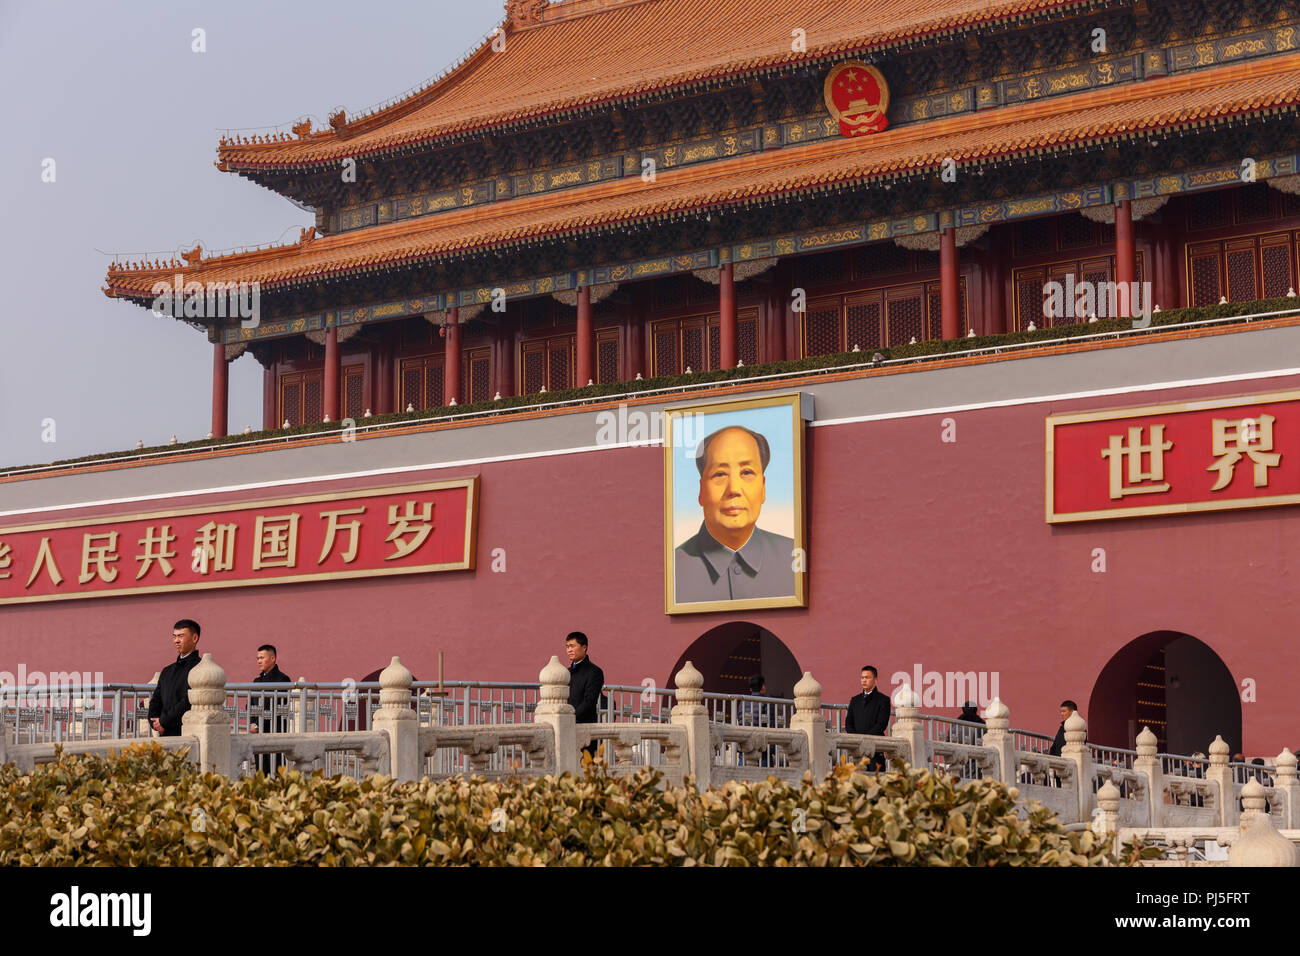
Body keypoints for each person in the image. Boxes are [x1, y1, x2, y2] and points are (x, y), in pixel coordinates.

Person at [673, 426, 796, 604]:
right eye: (720, 474)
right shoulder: (672, 570)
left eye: (746, 472)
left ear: (763, 487)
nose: (734, 489)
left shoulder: (795, 558)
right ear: (701, 491)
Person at [147, 619, 202, 737]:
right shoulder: (167, 671)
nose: (176, 641)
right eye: (174, 636)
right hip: (164, 732)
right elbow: (156, 700)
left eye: (181, 636)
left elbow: (188, 701)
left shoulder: (200, 668)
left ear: (194, 638)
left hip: (187, 734)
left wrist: (164, 721)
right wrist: (155, 723)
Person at [251, 644, 291, 774]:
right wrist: (252, 722)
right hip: (259, 732)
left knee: (276, 769)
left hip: (276, 731)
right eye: (257, 658)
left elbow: (279, 707)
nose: (259, 661)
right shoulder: (257, 681)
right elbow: (251, 704)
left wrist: (261, 722)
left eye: (262, 657)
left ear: (273, 658)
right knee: (260, 770)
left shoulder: (283, 680)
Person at [565, 632, 604, 761]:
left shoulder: (594, 672)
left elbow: (590, 701)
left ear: (584, 647)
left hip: (585, 729)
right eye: (567, 646)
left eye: (572, 646)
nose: (569, 650)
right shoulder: (566, 673)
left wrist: (571, 717)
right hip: (566, 727)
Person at [845, 665, 891, 771]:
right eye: (862, 678)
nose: (864, 680)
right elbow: (848, 723)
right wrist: (857, 739)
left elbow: (881, 725)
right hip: (857, 749)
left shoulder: (883, 700)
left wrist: (865, 739)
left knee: (876, 782)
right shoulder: (855, 700)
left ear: (875, 679)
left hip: (875, 748)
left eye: (867, 677)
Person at [738, 674, 773, 768]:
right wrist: (772, 748)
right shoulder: (767, 702)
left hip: (745, 740)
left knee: (743, 775)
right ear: (763, 687)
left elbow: (740, 721)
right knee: (765, 775)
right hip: (762, 744)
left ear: (750, 689)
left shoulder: (742, 702)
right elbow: (771, 724)